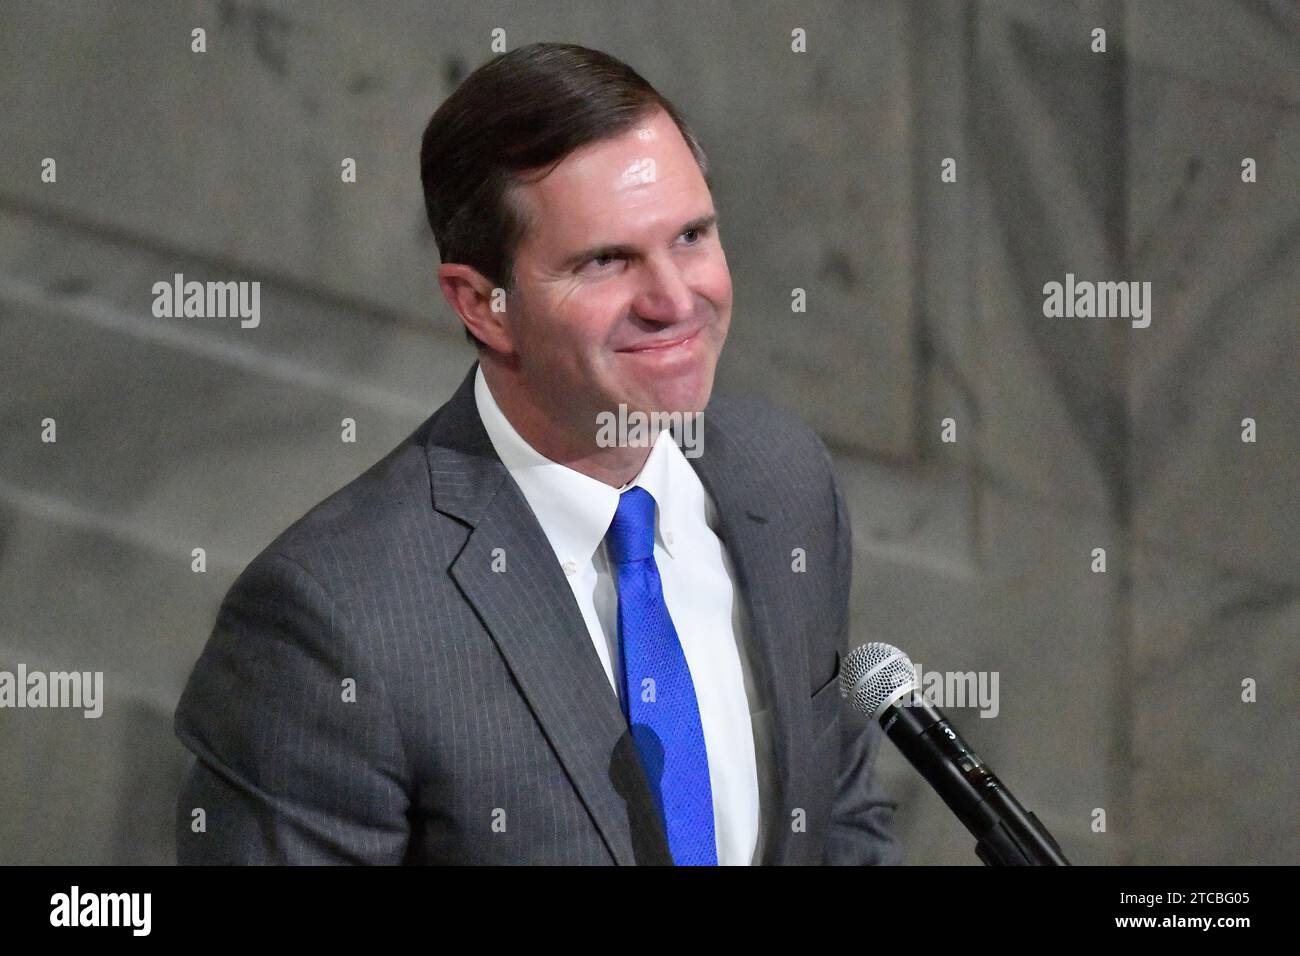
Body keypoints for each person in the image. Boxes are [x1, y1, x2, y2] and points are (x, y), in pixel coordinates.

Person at [174, 41, 901, 865]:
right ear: (482, 305)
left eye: (691, 236)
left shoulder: (784, 478)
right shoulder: (331, 623)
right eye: (606, 260)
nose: (674, 300)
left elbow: (838, 818)